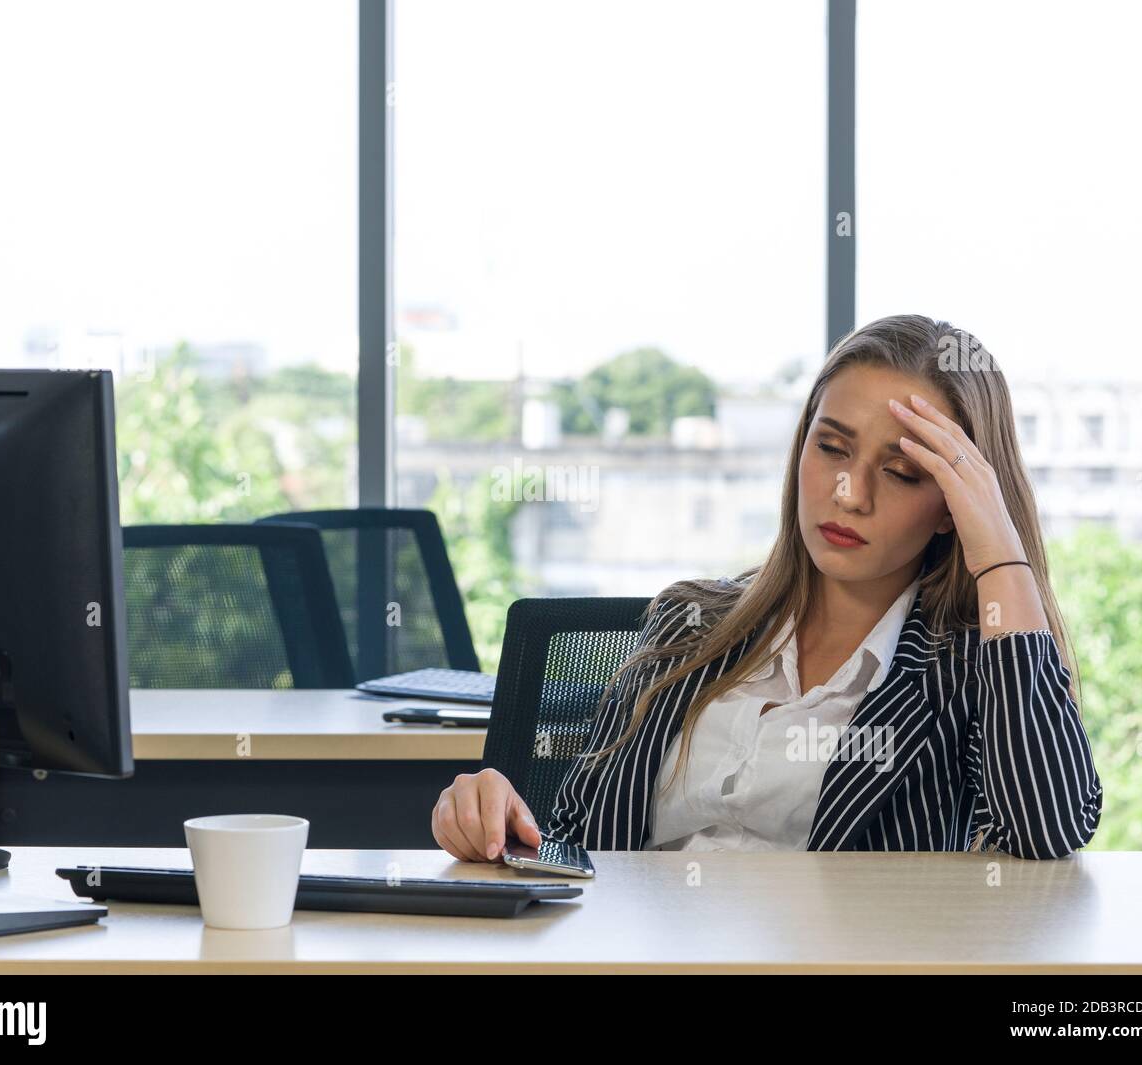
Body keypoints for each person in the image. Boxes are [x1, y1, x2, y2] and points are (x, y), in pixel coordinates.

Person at [431, 314, 1103, 862]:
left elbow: (1047, 827)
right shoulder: (688, 621)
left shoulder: (966, 666)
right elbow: (576, 838)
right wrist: (497, 821)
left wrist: (1001, 555)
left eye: (901, 472)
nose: (850, 493)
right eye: (831, 448)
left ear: (956, 506)